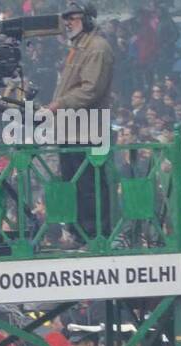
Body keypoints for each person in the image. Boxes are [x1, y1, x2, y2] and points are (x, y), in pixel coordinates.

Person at [49, 3, 115, 238]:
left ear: (87, 20)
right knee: (74, 185)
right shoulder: (79, 47)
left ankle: (95, 235)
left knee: (89, 186)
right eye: (66, 18)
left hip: (86, 130)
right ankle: (79, 234)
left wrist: (59, 104)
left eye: (73, 18)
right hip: (71, 128)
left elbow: (90, 90)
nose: (67, 23)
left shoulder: (97, 48)